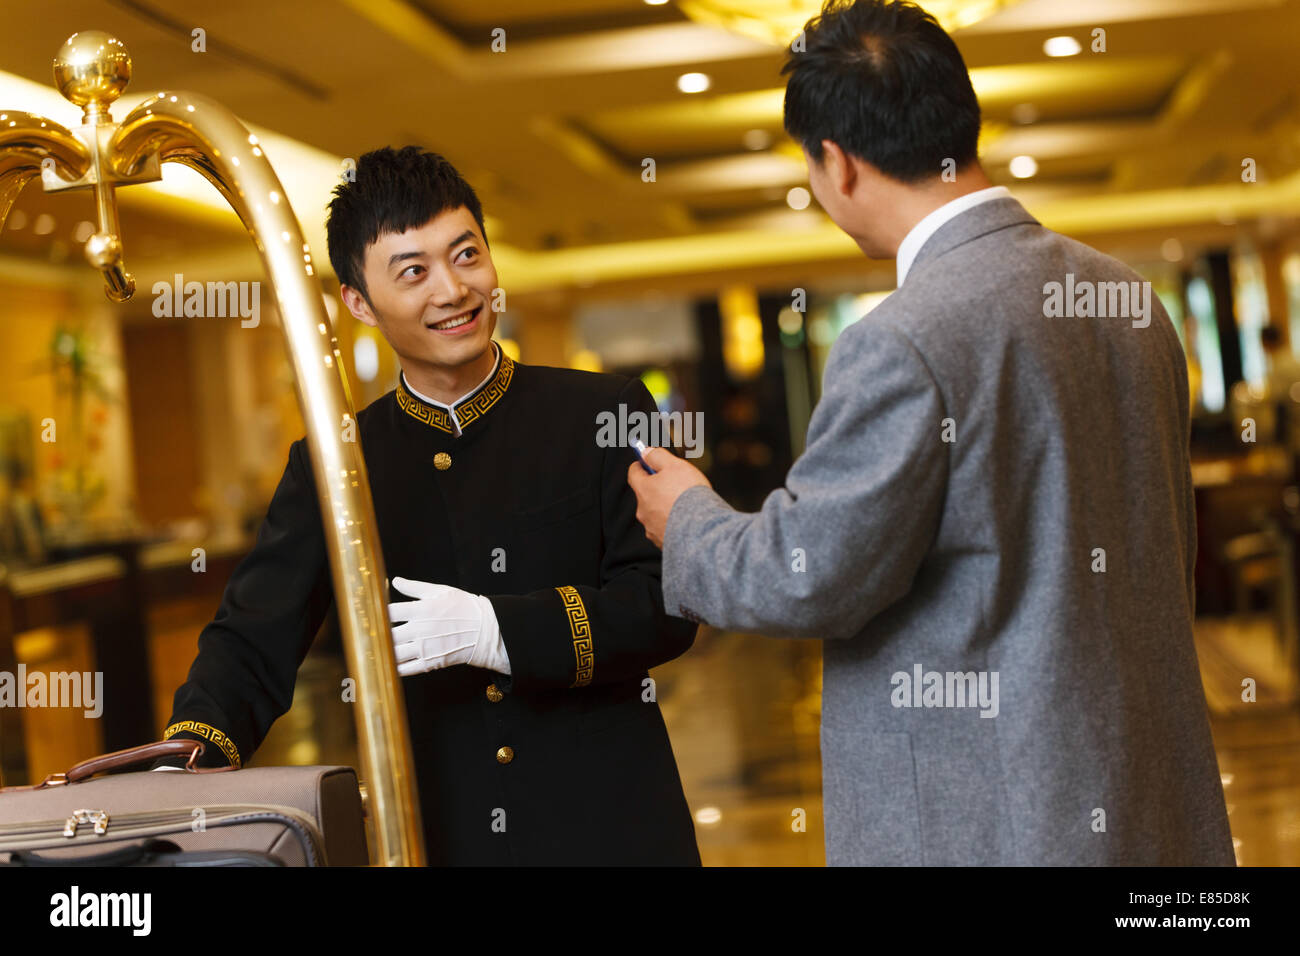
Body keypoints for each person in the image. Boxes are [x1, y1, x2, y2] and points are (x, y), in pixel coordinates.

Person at [628, 0, 1235, 866]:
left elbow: (814, 575)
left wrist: (688, 516)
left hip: (993, 820)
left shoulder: (901, 339)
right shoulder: (1130, 302)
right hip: (1149, 805)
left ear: (836, 163)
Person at [155, 146, 700, 866]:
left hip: (613, 826)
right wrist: (187, 751)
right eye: (413, 271)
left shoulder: (602, 411)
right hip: (445, 833)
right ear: (359, 301)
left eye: (466, 254)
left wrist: (496, 628)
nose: (453, 289)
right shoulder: (340, 459)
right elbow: (254, 636)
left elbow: (665, 605)